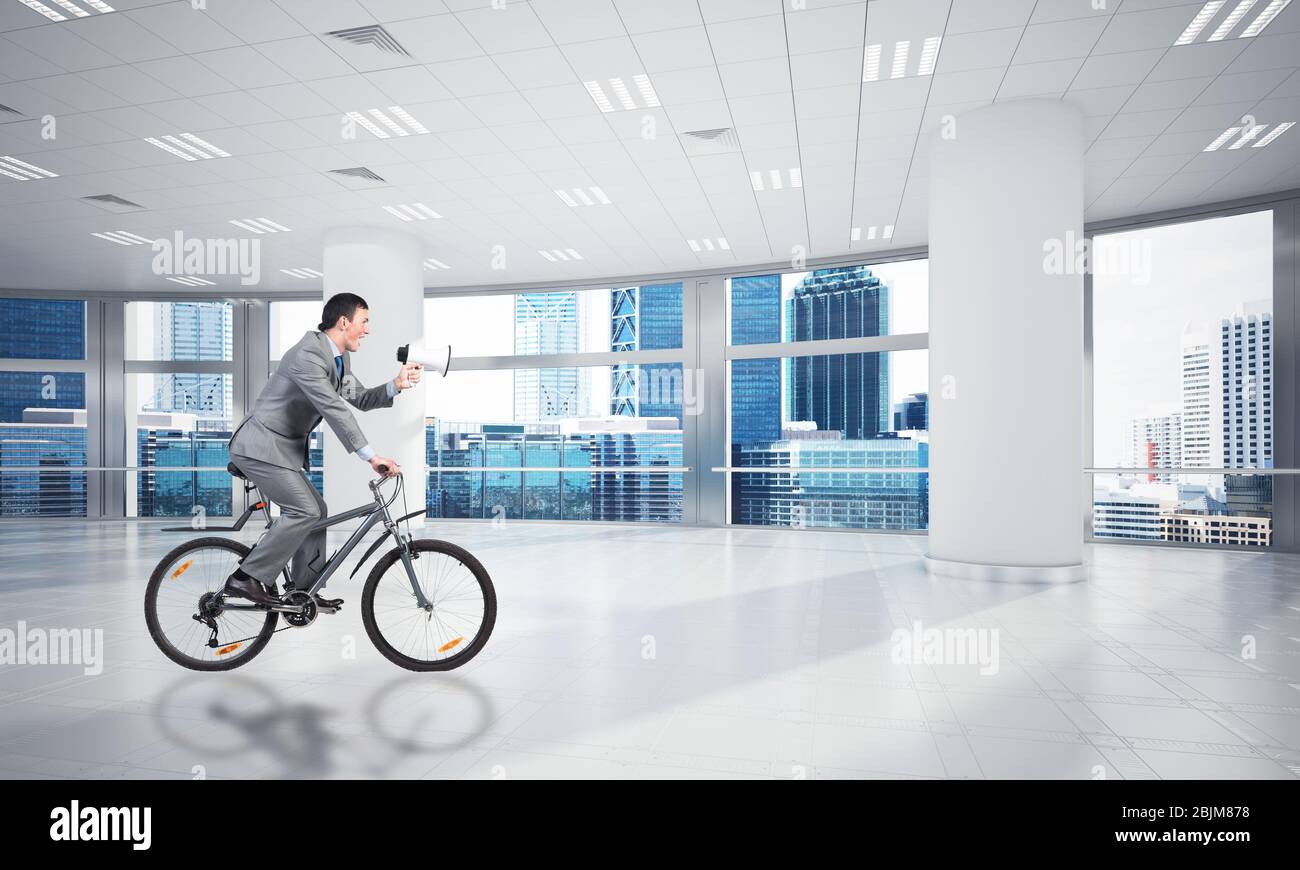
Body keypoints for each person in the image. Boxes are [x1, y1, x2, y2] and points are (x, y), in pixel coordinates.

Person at [221, 292, 422, 609]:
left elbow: (362, 399)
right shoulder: (308, 356)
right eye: (364, 322)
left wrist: (396, 384)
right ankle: (246, 578)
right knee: (305, 511)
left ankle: (304, 591)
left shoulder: (337, 361)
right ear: (344, 322)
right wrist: (371, 456)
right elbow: (333, 409)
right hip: (259, 447)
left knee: (318, 513)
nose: (367, 330)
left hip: (279, 451)